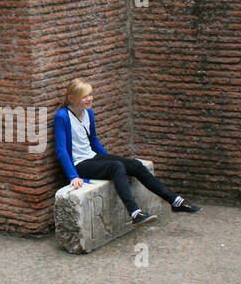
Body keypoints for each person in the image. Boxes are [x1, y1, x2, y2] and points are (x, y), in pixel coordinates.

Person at [53, 79, 200, 226]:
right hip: (79, 164)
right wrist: (73, 176)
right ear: (72, 98)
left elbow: (94, 141)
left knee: (135, 165)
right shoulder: (62, 117)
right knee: (116, 166)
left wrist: (106, 157)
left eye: (90, 94)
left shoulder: (88, 113)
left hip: (93, 157)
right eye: (85, 96)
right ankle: (135, 213)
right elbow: (61, 150)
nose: (90, 98)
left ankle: (175, 201)